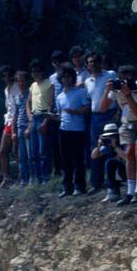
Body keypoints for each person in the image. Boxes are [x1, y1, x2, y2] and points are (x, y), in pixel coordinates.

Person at [102, 64, 137, 203]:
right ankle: (130, 192)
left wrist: (127, 94)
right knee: (129, 152)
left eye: (128, 78)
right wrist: (107, 91)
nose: (124, 82)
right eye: (122, 79)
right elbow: (102, 108)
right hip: (127, 120)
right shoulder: (116, 89)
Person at [85, 53, 119, 193]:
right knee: (95, 147)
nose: (91, 64)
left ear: (100, 62)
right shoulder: (88, 81)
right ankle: (96, 183)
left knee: (111, 147)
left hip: (110, 114)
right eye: (89, 63)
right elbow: (89, 99)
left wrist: (117, 113)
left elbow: (117, 93)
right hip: (95, 117)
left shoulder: (110, 75)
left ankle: (113, 181)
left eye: (94, 61)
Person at [55, 66, 90, 197]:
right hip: (64, 130)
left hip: (77, 129)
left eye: (69, 76)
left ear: (73, 77)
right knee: (65, 160)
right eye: (63, 77)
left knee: (78, 159)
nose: (66, 79)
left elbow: (87, 108)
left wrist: (75, 112)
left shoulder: (80, 92)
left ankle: (79, 186)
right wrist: (50, 116)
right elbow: (59, 115)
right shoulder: (59, 96)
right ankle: (67, 187)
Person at [28, 60, 54, 183]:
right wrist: (29, 116)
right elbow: (28, 102)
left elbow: (50, 104)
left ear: (42, 71)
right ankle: (37, 178)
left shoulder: (49, 84)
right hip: (34, 117)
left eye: (37, 71)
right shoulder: (32, 85)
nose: (35, 73)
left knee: (43, 150)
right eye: (33, 71)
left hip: (44, 116)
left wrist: (45, 122)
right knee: (34, 151)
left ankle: (45, 178)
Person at [91, 123, 127, 203]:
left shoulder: (124, 141)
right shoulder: (107, 145)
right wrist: (99, 146)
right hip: (117, 171)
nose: (110, 138)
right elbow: (93, 156)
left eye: (112, 136)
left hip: (127, 169)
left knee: (110, 162)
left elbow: (126, 158)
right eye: (108, 136)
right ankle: (113, 192)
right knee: (109, 162)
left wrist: (115, 146)